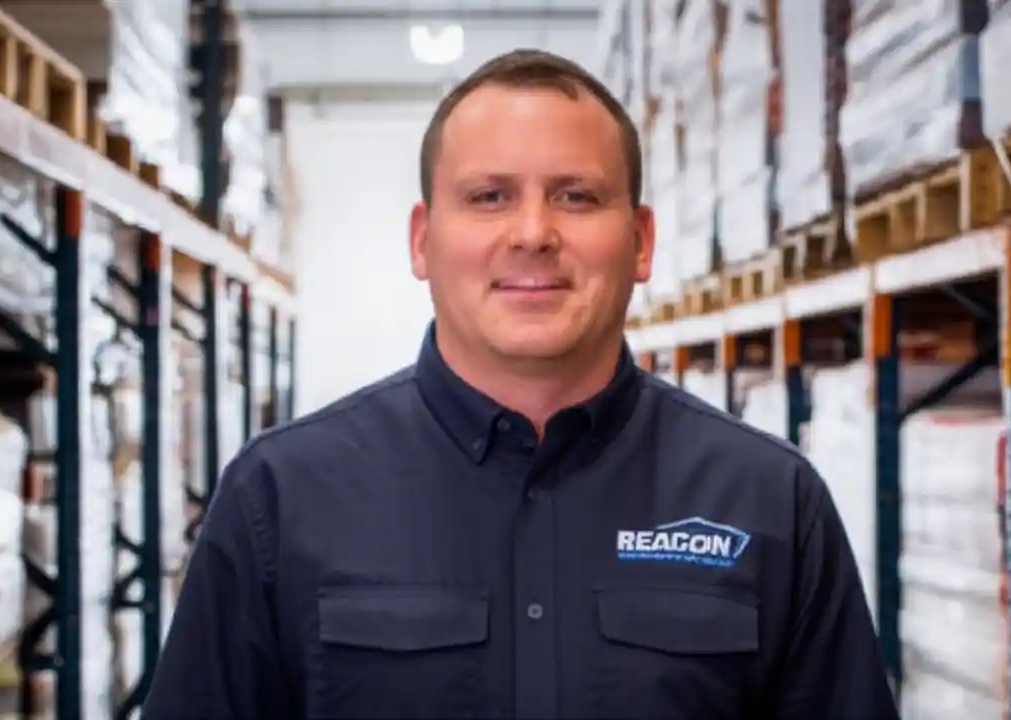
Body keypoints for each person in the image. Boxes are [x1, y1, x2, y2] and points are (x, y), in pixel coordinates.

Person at [143, 48, 898, 720]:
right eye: (488, 196)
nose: (533, 233)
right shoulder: (279, 499)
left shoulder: (771, 502)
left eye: (576, 196)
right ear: (421, 239)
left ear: (640, 242)